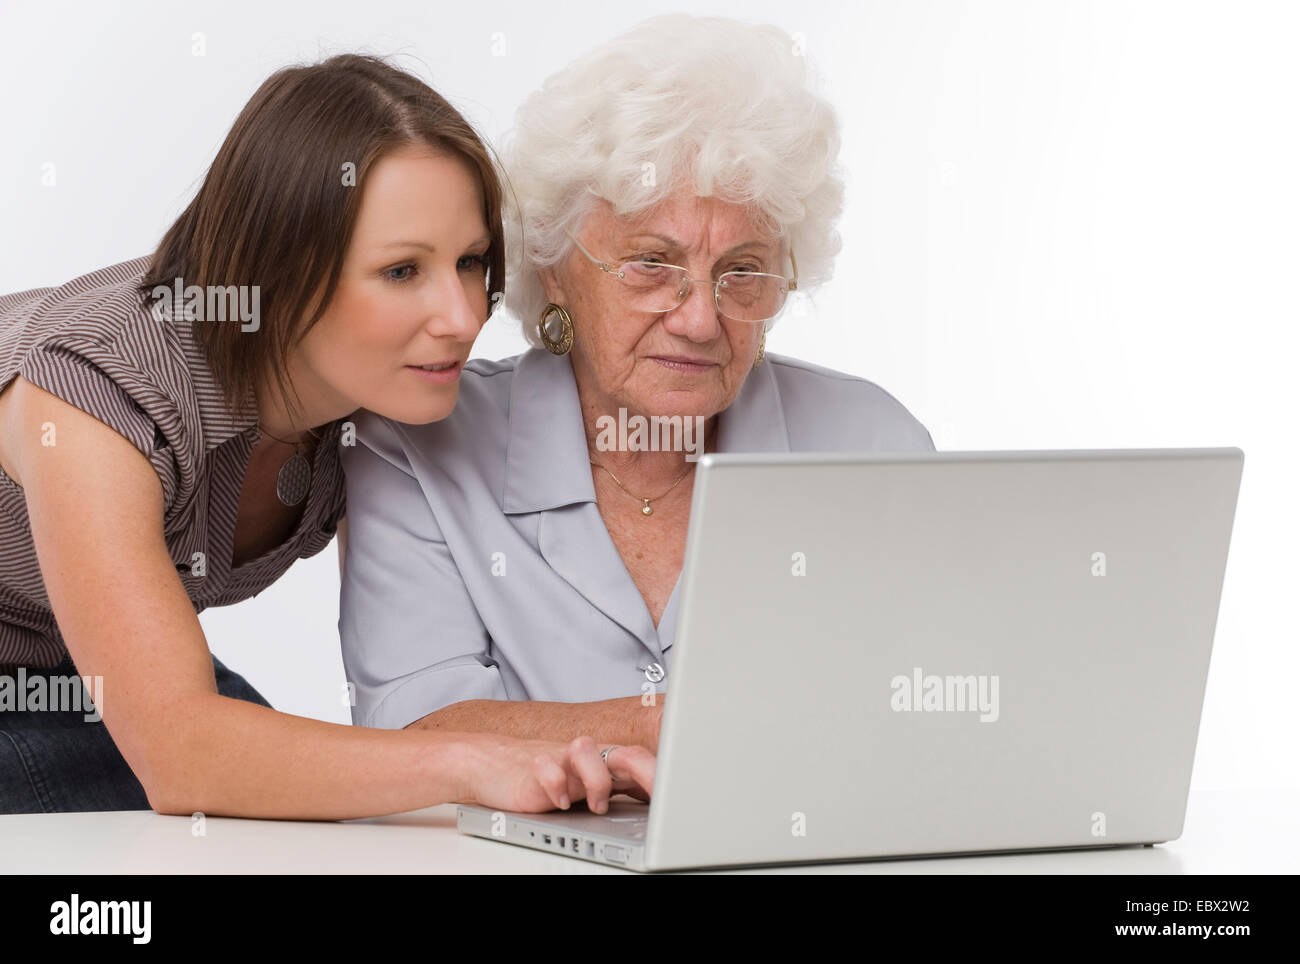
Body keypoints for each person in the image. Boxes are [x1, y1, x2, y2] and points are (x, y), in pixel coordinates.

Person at [0, 53, 653, 817]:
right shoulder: (96, 392)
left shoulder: (377, 402)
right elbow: (181, 754)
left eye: (471, 261)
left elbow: (422, 684)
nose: (464, 317)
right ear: (281, 268)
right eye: (402, 271)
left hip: (91, 685)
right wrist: (474, 761)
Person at [339, 16, 935, 747]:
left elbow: (924, 716)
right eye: (652, 264)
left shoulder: (871, 445)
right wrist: (690, 729)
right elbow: (413, 732)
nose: (699, 320)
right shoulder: (419, 447)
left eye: (742, 271)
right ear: (555, 267)